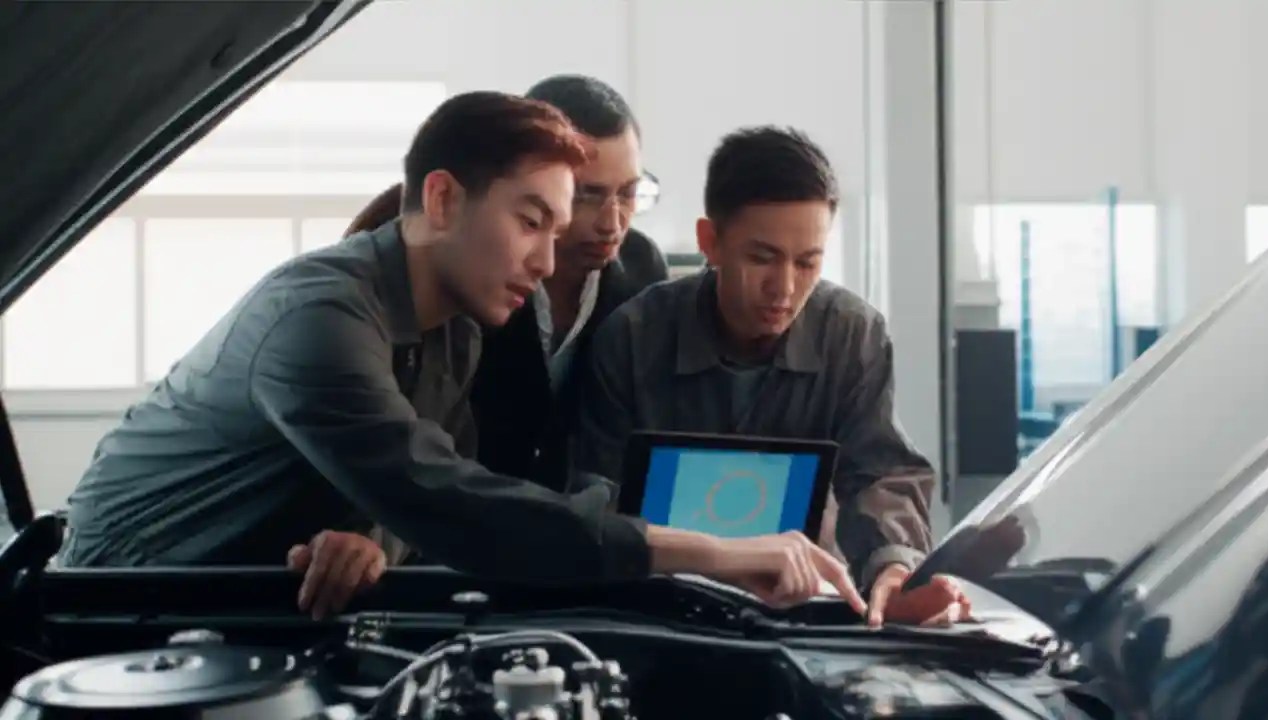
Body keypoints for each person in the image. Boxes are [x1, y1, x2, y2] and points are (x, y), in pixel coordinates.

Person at [60, 92, 865, 620]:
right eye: (530, 221)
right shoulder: (318, 317)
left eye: (556, 230)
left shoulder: (457, 329)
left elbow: (421, 485)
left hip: (244, 603)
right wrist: (714, 551)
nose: (551, 262)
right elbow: (454, 500)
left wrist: (375, 533)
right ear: (443, 200)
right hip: (105, 608)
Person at [577, 126, 968, 628]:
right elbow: (594, 494)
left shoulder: (850, 334)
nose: (784, 288)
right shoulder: (632, 337)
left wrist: (894, 564)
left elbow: (881, 472)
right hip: (658, 608)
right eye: (762, 258)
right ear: (709, 242)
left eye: (808, 262)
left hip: (806, 605)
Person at [345, 75, 668, 493]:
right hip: (445, 510)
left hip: (568, 522)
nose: (612, 222)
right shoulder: (463, 265)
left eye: (628, 194)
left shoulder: (641, 268)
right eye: (586, 195)